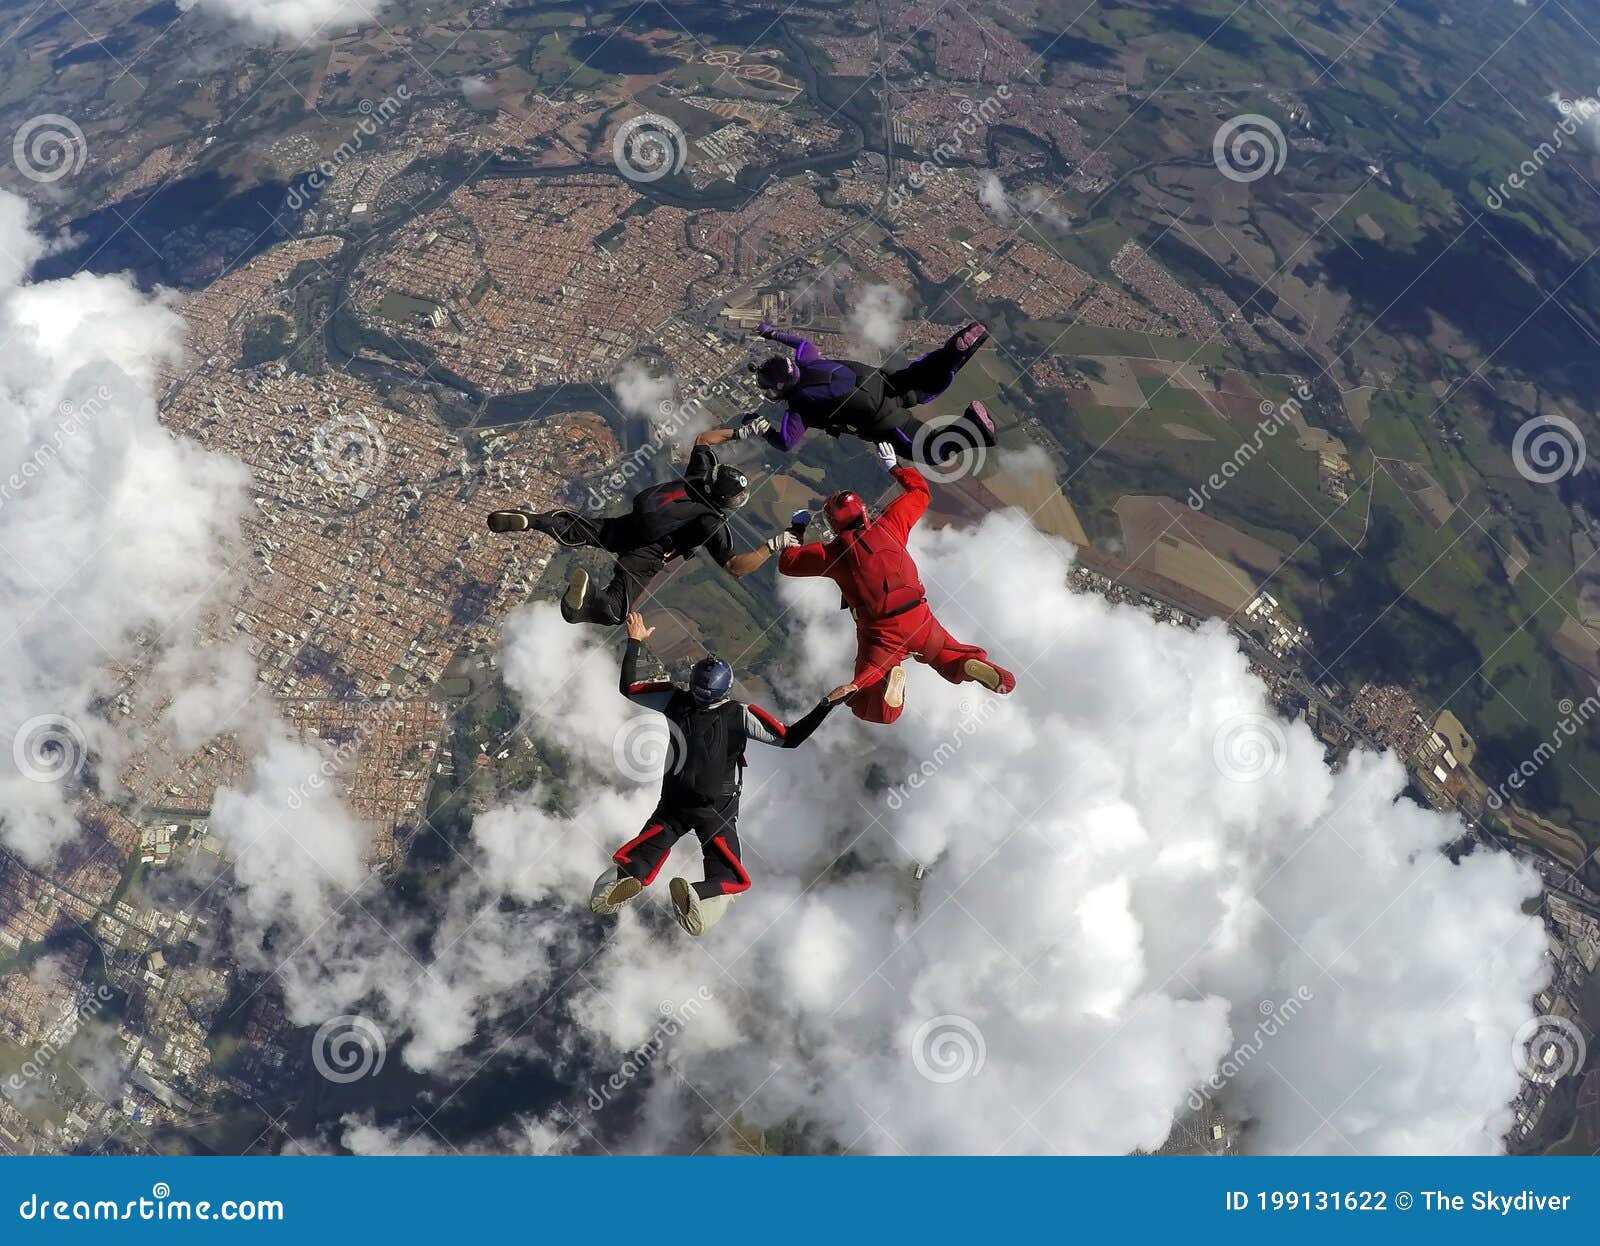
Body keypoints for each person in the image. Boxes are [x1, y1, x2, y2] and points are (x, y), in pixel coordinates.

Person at [591, 612, 853, 935]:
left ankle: (633, 871)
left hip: (673, 801)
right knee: (728, 875)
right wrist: (827, 703)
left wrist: (635, 641)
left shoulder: (673, 698)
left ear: (694, 684)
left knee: (649, 848)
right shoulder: (739, 715)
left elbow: (629, 687)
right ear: (725, 691)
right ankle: (699, 895)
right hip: (715, 809)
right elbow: (790, 738)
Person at [770, 443, 1016, 725]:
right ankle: (971, 665)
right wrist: (895, 467)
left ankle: (887, 689)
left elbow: (788, 563)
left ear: (833, 525)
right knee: (946, 654)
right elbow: (920, 494)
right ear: (863, 510)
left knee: (868, 705)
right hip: (919, 617)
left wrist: (797, 528)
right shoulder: (890, 525)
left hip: (881, 631)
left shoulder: (834, 554)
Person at [486, 436, 781, 626]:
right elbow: (735, 567)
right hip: (647, 554)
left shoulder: (698, 476)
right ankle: (587, 599)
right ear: (726, 501)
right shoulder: (711, 522)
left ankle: (535, 521)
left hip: (630, 526)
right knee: (616, 611)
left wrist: (742, 432)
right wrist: (773, 546)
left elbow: (704, 440)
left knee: (586, 529)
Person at [701, 321, 998, 464]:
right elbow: (800, 341)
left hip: (886, 420)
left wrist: (762, 428)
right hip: (888, 383)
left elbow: (785, 443)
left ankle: (976, 430)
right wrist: (770, 332)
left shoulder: (798, 408)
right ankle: (958, 349)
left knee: (934, 451)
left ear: (781, 390)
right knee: (929, 377)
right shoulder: (808, 359)